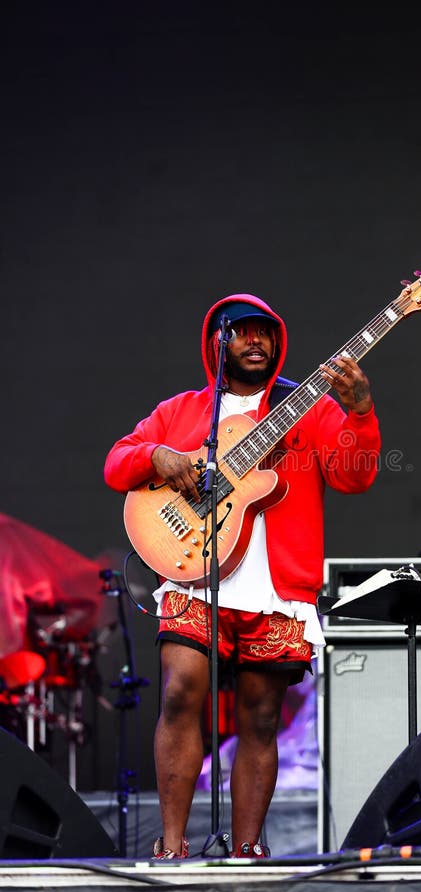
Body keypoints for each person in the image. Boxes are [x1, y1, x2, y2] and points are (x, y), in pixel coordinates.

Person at [103, 293, 381, 859]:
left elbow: (355, 477)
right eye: (242, 332)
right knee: (180, 694)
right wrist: (157, 456)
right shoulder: (182, 410)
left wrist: (359, 413)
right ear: (217, 342)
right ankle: (172, 848)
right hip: (191, 571)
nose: (256, 341)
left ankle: (248, 850)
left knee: (260, 717)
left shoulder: (308, 406)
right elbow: (117, 462)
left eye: (266, 333)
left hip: (275, 586)